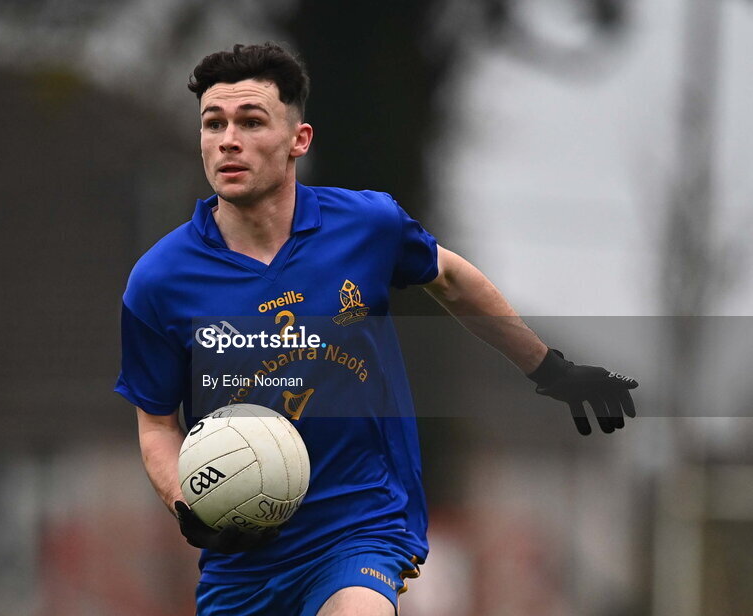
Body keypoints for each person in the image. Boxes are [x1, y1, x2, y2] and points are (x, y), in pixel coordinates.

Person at [115, 42, 637, 616]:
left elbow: (453, 280)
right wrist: (188, 504)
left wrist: (552, 370)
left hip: (360, 526)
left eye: (251, 121)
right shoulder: (159, 280)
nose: (228, 139)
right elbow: (157, 425)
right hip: (243, 563)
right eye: (214, 123)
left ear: (299, 140)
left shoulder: (366, 226)